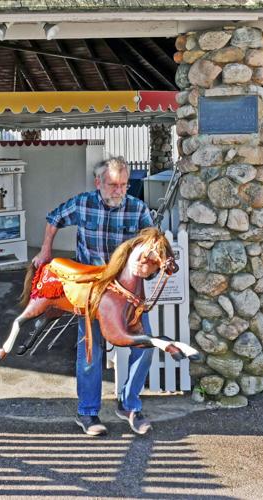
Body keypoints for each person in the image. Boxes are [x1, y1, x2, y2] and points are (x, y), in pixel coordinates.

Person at [32, 157, 155, 436]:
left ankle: (129, 405)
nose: (118, 190)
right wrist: (46, 251)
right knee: (91, 351)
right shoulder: (83, 203)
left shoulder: (137, 210)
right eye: (112, 184)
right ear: (98, 183)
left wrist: (147, 265)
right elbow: (54, 218)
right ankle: (87, 413)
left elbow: (150, 243)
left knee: (144, 346)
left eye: (123, 185)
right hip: (92, 291)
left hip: (126, 295)